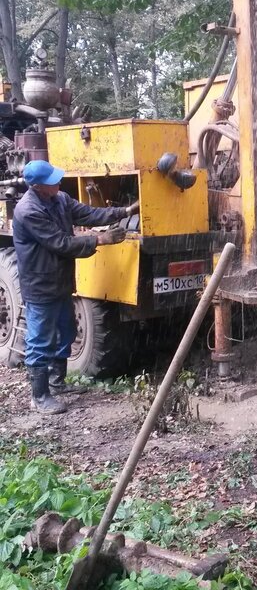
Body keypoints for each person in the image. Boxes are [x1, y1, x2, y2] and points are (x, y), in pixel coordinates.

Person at [12, 160, 139, 415]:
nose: (58, 182)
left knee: (66, 331)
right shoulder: (28, 211)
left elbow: (88, 213)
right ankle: (39, 396)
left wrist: (124, 212)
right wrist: (100, 239)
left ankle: (57, 383)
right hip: (40, 286)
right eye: (52, 181)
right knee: (40, 340)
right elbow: (61, 243)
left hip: (61, 282)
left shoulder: (59, 199)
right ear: (37, 187)